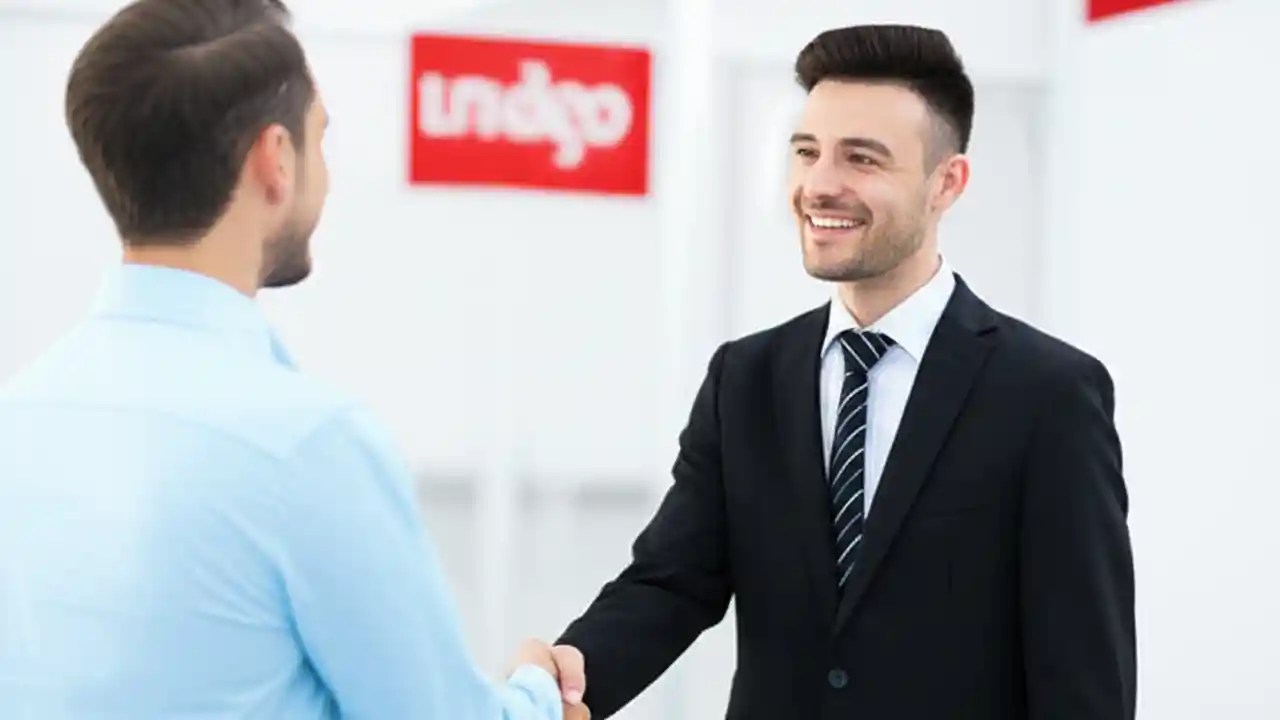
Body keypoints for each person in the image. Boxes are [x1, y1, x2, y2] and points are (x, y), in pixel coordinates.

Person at [0, 1, 587, 718]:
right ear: (274, 159)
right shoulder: (306, 445)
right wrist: (532, 690)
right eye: (320, 139)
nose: (326, 176)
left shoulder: (20, 415)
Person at [554, 24, 1137, 719]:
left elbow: (1083, 679)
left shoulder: (1048, 395)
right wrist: (564, 677)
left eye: (862, 159)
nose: (819, 185)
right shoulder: (745, 381)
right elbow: (670, 584)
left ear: (946, 183)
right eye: (807, 152)